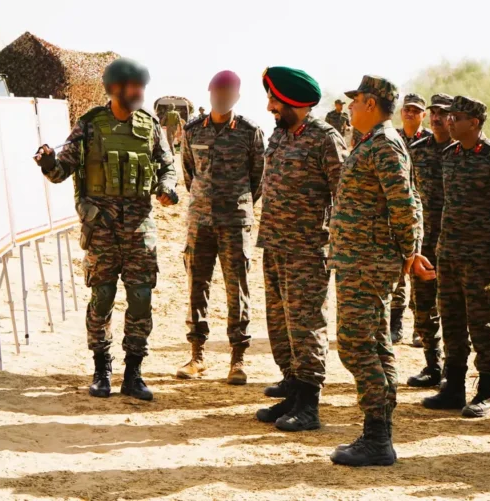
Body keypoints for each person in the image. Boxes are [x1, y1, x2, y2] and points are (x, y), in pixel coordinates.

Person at [34, 58, 178, 401]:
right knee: (102, 298)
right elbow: (61, 171)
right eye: (133, 86)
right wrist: (49, 161)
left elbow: (167, 166)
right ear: (114, 88)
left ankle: (134, 372)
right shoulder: (90, 125)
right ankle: (102, 369)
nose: (139, 92)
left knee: (141, 299)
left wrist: (167, 188)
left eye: (142, 86)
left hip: (140, 228)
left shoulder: (150, 125)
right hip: (102, 227)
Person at [328, 75, 432, 467]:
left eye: (355, 102)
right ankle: (379, 431)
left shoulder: (385, 144)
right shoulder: (373, 142)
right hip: (360, 258)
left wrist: (409, 253)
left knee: (356, 343)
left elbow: (405, 202)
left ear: (371, 103)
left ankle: (377, 437)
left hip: (368, 261)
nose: (350, 108)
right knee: (373, 343)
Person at [255, 66, 347, 432]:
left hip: (308, 250)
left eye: (275, 101)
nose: (269, 108)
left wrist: (335, 244)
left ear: (295, 101)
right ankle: (292, 391)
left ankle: (309, 405)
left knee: (305, 325)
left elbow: (343, 196)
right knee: (280, 325)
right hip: (274, 245)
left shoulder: (326, 139)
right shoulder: (279, 137)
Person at [422, 96, 490, 418]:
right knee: (451, 319)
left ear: (475, 123)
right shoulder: (449, 156)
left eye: (457, 117)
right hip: (448, 251)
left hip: (480, 254)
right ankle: (453, 387)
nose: (449, 122)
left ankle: (488, 391)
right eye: (448, 117)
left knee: (480, 322)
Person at [177, 70, 266, 384]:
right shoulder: (191, 132)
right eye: (218, 91)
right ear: (209, 92)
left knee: (236, 289)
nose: (222, 96)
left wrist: (237, 203)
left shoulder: (250, 132)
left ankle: (238, 360)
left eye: (229, 92)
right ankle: (197, 356)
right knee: (196, 287)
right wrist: (205, 201)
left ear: (237, 97)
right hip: (199, 221)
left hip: (235, 222)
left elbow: (259, 179)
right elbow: (189, 175)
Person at [405, 93, 453, 388]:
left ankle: (453, 367)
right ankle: (432, 364)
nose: (436, 118)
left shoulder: (461, 151)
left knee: (451, 307)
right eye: (433, 113)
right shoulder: (417, 150)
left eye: (442, 114)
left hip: (454, 241)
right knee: (422, 305)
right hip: (424, 240)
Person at [390, 92, 433, 344]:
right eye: (407, 109)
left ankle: (421, 326)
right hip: (398, 213)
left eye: (416, 111)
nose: (410, 113)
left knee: (421, 275)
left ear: (423, 115)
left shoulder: (430, 141)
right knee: (399, 270)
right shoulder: (391, 138)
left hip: (425, 214)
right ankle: (395, 325)